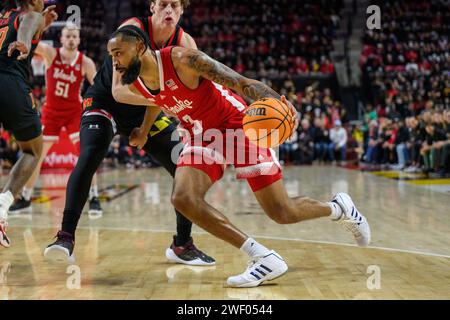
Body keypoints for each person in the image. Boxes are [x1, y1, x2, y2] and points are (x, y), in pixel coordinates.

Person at [104, 26, 371, 288]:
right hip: (200, 135)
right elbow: (159, 101)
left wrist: (278, 102)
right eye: (111, 55)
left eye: (118, 53)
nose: (114, 62)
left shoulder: (184, 59)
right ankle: (263, 257)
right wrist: (144, 129)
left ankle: (338, 208)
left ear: (140, 47)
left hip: (236, 125)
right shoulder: (137, 80)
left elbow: (240, 82)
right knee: (183, 198)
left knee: (282, 212)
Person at [43, 0, 215, 266]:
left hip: (145, 109)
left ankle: (182, 244)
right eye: (164, 5)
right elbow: (120, 91)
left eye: (175, 6)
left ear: (182, 10)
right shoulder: (131, 31)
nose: (169, 11)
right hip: (106, 102)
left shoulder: (185, 45)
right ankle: (65, 236)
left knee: (185, 165)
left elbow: (166, 96)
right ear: (152, 7)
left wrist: (145, 129)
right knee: (90, 154)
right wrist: (160, 108)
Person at [8, 24, 103, 217]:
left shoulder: (86, 63)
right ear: (61, 38)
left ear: (79, 40)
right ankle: (26, 198)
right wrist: (31, 27)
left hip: (74, 113)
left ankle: (94, 197)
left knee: (86, 154)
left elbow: (99, 88)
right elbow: (32, 43)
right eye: (67, 36)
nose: (70, 39)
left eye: (74, 36)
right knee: (36, 156)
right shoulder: (51, 54)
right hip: (51, 113)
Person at [0, 0, 57, 247]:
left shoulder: (3, 16)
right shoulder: (29, 15)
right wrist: (24, 39)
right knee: (33, 150)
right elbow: (29, 21)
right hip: (9, 84)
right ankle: (2, 206)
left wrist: (41, 26)